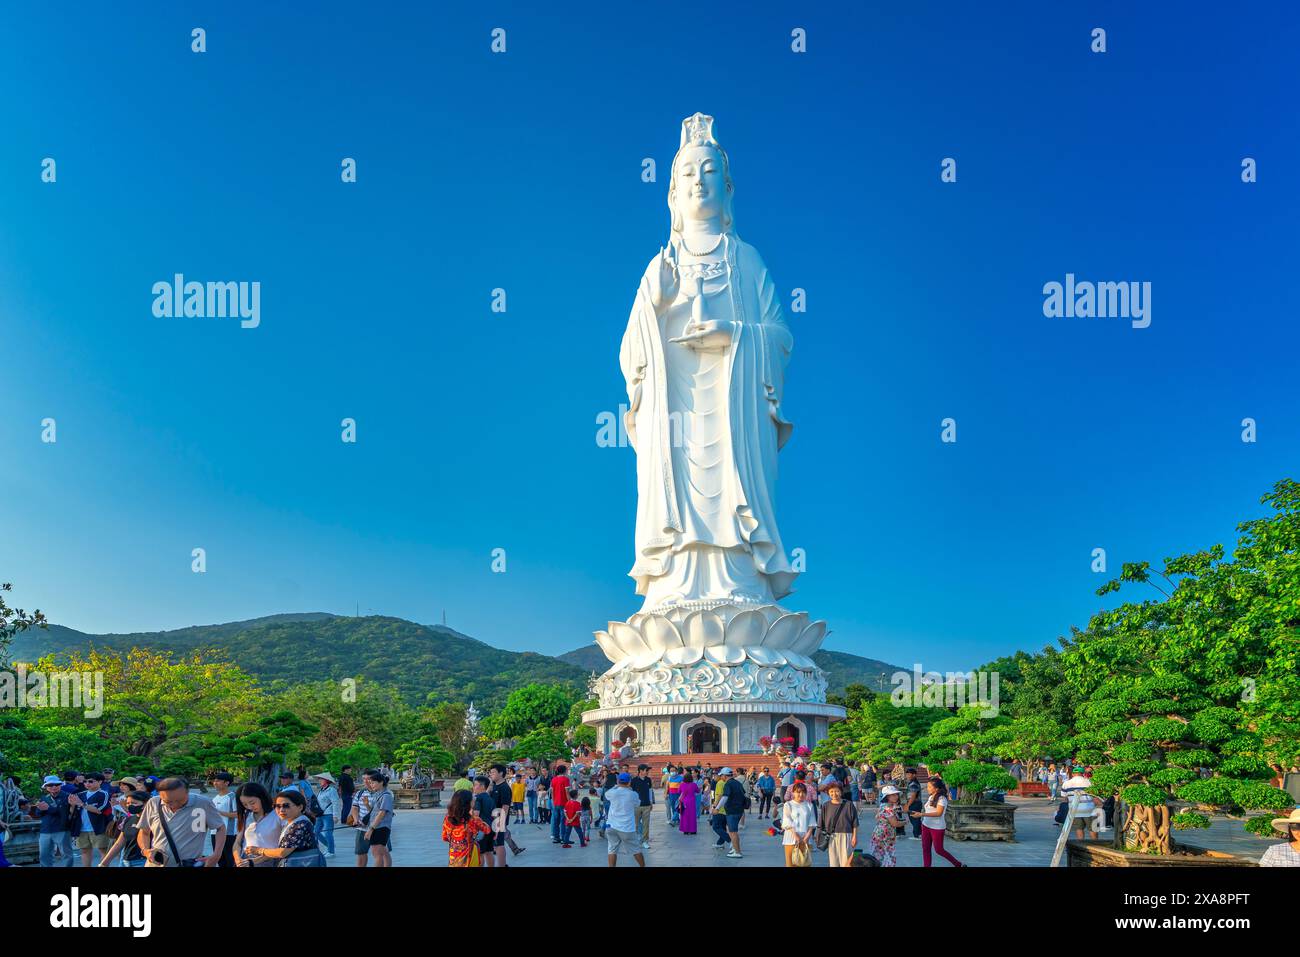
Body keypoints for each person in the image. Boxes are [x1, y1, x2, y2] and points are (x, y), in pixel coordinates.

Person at [138, 777, 226, 867]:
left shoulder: (203, 803)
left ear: (187, 792)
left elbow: (220, 828)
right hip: (156, 864)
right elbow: (144, 831)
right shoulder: (153, 803)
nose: (175, 804)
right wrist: (145, 851)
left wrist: (216, 855)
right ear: (160, 795)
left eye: (180, 800)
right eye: (168, 801)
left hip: (189, 864)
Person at [244, 790, 324, 866]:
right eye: (277, 806)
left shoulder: (301, 824)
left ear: (300, 807)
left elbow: (282, 852)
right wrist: (252, 862)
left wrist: (258, 850)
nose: (281, 810)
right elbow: (281, 850)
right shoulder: (291, 823)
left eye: (286, 806)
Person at [911, 777, 963, 868]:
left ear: (937, 789)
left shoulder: (942, 799)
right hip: (926, 825)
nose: (927, 788)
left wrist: (921, 814)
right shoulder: (931, 796)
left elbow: (938, 813)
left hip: (937, 828)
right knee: (925, 848)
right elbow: (928, 810)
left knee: (939, 850)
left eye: (929, 787)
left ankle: (958, 864)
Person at [233, 782, 282, 867]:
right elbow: (237, 842)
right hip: (245, 860)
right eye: (245, 804)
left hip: (268, 861)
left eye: (252, 803)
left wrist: (253, 862)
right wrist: (238, 860)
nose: (249, 807)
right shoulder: (247, 815)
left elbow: (281, 848)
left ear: (262, 797)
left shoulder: (278, 815)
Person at [604, 771, 647, 867]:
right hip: (626, 827)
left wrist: (616, 786)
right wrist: (629, 789)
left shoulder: (612, 793)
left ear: (618, 781)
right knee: (636, 850)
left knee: (611, 849)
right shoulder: (633, 794)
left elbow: (607, 794)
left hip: (611, 826)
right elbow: (637, 804)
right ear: (629, 782)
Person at [72, 771, 114, 866]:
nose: (87, 783)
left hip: (99, 827)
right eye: (85, 781)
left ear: (100, 782)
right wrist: (72, 805)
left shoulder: (104, 794)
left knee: (103, 850)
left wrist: (81, 804)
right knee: (84, 851)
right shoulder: (80, 794)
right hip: (82, 828)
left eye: (91, 781)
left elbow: (98, 810)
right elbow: (73, 811)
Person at [34, 775, 75, 867]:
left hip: (62, 829)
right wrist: (41, 809)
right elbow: (38, 813)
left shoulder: (67, 796)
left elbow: (64, 812)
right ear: (46, 787)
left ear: (60, 785)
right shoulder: (44, 798)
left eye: (56, 784)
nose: (54, 787)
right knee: (44, 855)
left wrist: (48, 809)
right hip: (45, 830)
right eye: (50, 785)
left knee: (66, 854)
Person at [98, 792, 148, 867]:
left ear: (145, 804)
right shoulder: (129, 819)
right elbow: (119, 843)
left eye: (134, 803)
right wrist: (103, 863)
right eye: (128, 803)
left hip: (143, 861)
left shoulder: (152, 820)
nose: (130, 805)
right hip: (125, 861)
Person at [442, 789, 492, 866]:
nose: (474, 800)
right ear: (467, 804)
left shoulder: (447, 819)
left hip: (454, 856)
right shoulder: (473, 820)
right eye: (472, 799)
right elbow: (487, 830)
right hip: (469, 856)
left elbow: (445, 837)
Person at [818, 779, 858, 867]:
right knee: (834, 861)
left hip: (846, 835)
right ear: (828, 793)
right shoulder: (826, 805)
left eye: (837, 791)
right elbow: (821, 823)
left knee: (847, 861)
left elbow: (855, 822)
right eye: (831, 791)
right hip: (831, 836)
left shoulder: (849, 804)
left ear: (841, 792)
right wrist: (818, 836)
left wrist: (854, 836)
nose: (834, 794)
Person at [360, 769, 394, 867]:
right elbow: (374, 812)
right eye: (370, 783)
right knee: (383, 851)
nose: (371, 785)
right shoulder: (377, 794)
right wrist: (367, 805)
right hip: (378, 827)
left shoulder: (386, 796)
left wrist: (370, 829)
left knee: (377, 853)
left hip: (381, 828)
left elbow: (381, 814)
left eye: (373, 782)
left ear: (381, 782)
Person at [781, 781, 816, 867]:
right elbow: (787, 821)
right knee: (791, 863)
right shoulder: (788, 805)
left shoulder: (809, 805)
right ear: (793, 793)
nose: (801, 794)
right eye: (798, 792)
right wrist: (795, 835)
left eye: (803, 792)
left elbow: (812, 822)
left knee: (804, 863)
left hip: (806, 837)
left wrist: (807, 836)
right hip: (791, 838)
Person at [207, 771, 239, 867]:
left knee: (230, 859)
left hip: (229, 833)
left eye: (218, 781)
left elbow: (238, 814)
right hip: (214, 832)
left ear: (227, 783)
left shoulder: (232, 796)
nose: (215, 783)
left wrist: (218, 812)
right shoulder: (215, 798)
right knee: (219, 859)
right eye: (214, 781)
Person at [870, 785, 903, 866]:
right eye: (893, 795)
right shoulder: (888, 808)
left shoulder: (883, 805)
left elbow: (876, 817)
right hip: (885, 835)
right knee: (888, 857)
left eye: (896, 794)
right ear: (887, 797)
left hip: (879, 832)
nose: (896, 796)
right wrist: (905, 822)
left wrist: (883, 822)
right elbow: (895, 824)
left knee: (878, 856)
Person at [719, 767, 746, 859]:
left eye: (721, 775)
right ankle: (735, 849)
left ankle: (737, 852)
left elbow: (725, 797)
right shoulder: (737, 783)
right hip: (739, 810)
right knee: (732, 830)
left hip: (732, 810)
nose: (721, 777)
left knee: (733, 832)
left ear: (725, 775)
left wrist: (717, 808)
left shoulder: (728, 784)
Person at [312, 772, 340, 858]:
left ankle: (331, 851)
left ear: (327, 780)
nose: (319, 780)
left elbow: (335, 803)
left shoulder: (331, 790)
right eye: (319, 779)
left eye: (321, 779)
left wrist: (335, 816)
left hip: (328, 814)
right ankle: (329, 845)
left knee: (328, 833)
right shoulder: (321, 790)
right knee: (315, 832)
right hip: (320, 814)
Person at [549, 764, 571, 844]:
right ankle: (563, 837)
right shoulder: (565, 779)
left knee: (555, 820)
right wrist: (569, 802)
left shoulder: (553, 779)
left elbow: (552, 792)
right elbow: (567, 792)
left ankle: (556, 837)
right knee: (563, 821)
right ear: (565, 771)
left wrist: (554, 801)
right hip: (564, 802)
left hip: (555, 802)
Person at [678, 770, 699, 835]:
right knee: (692, 816)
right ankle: (692, 830)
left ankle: (685, 830)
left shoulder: (682, 784)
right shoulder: (694, 784)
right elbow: (697, 791)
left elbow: (679, 792)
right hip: (692, 801)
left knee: (684, 816)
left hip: (684, 801)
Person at [904, 770, 924, 839]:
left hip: (914, 803)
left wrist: (908, 805)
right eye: (907, 774)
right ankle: (920, 833)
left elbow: (913, 796)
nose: (907, 776)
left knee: (914, 819)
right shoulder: (912, 783)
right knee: (915, 819)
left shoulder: (913, 784)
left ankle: (917, 835)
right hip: (915, 803)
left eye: (909, 774)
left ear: (914, 775)